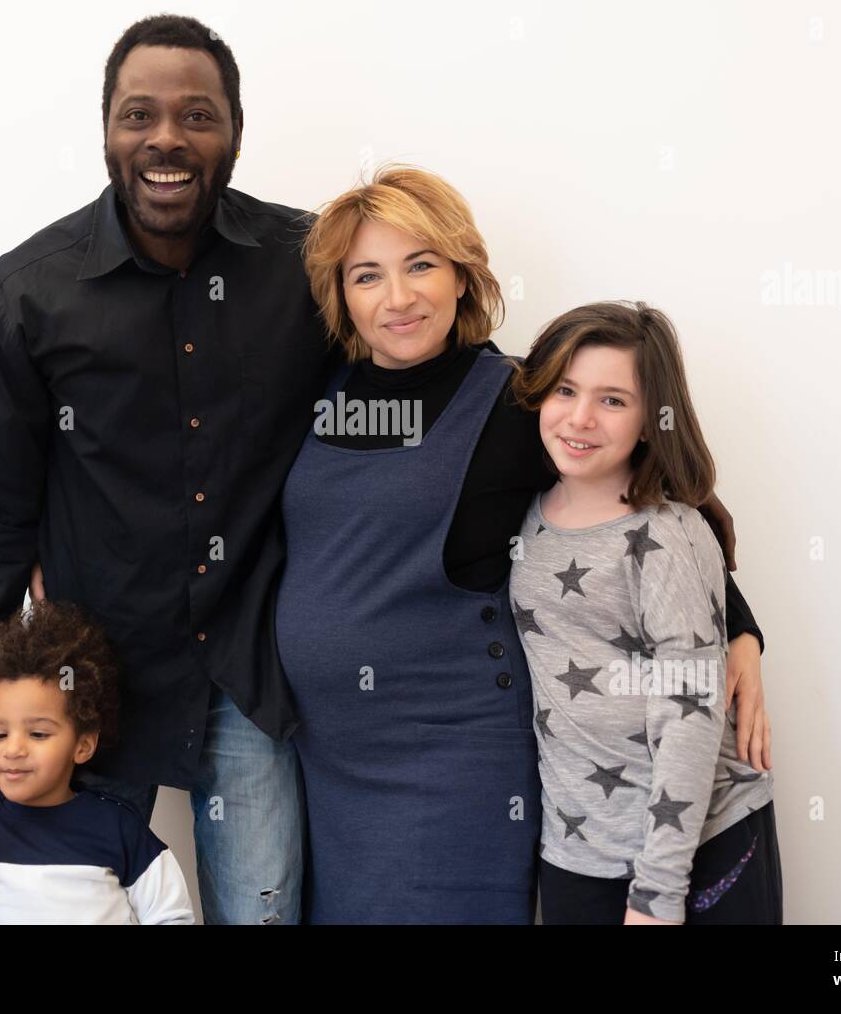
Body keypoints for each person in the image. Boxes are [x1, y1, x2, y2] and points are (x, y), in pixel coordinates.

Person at [273, 167, 770, 923]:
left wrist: (739, 628)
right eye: (367, 275)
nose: (397, 297)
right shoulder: (320, 394)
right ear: (341, 294)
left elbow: (661, 494)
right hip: (332, 766)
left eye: (421, 266)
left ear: (464, 275)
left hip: (451, 754)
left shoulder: (514, 400)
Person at [0, 13, 337, 924]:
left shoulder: (309, 268)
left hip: (247, 667)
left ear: (234, 130)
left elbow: (442, 383)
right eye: (138, 113)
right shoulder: (28, 290)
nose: (166, 138)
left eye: (198, 115)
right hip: (86, 689)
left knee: (262, 916)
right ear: (106, 127)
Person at [508, 302, 782, 924]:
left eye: (612, 400)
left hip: (689, 846)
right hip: (579, 841)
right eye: (566, 390)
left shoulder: (667, 537)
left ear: (652, 419)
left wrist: (658, 893)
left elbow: (689, 713)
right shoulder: (523, 509)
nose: (580, 417)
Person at [0, 600, 196, 924]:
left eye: (38, 734)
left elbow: (172, 916)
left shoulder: (121, 828)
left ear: (83, 745)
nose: (14, 749)